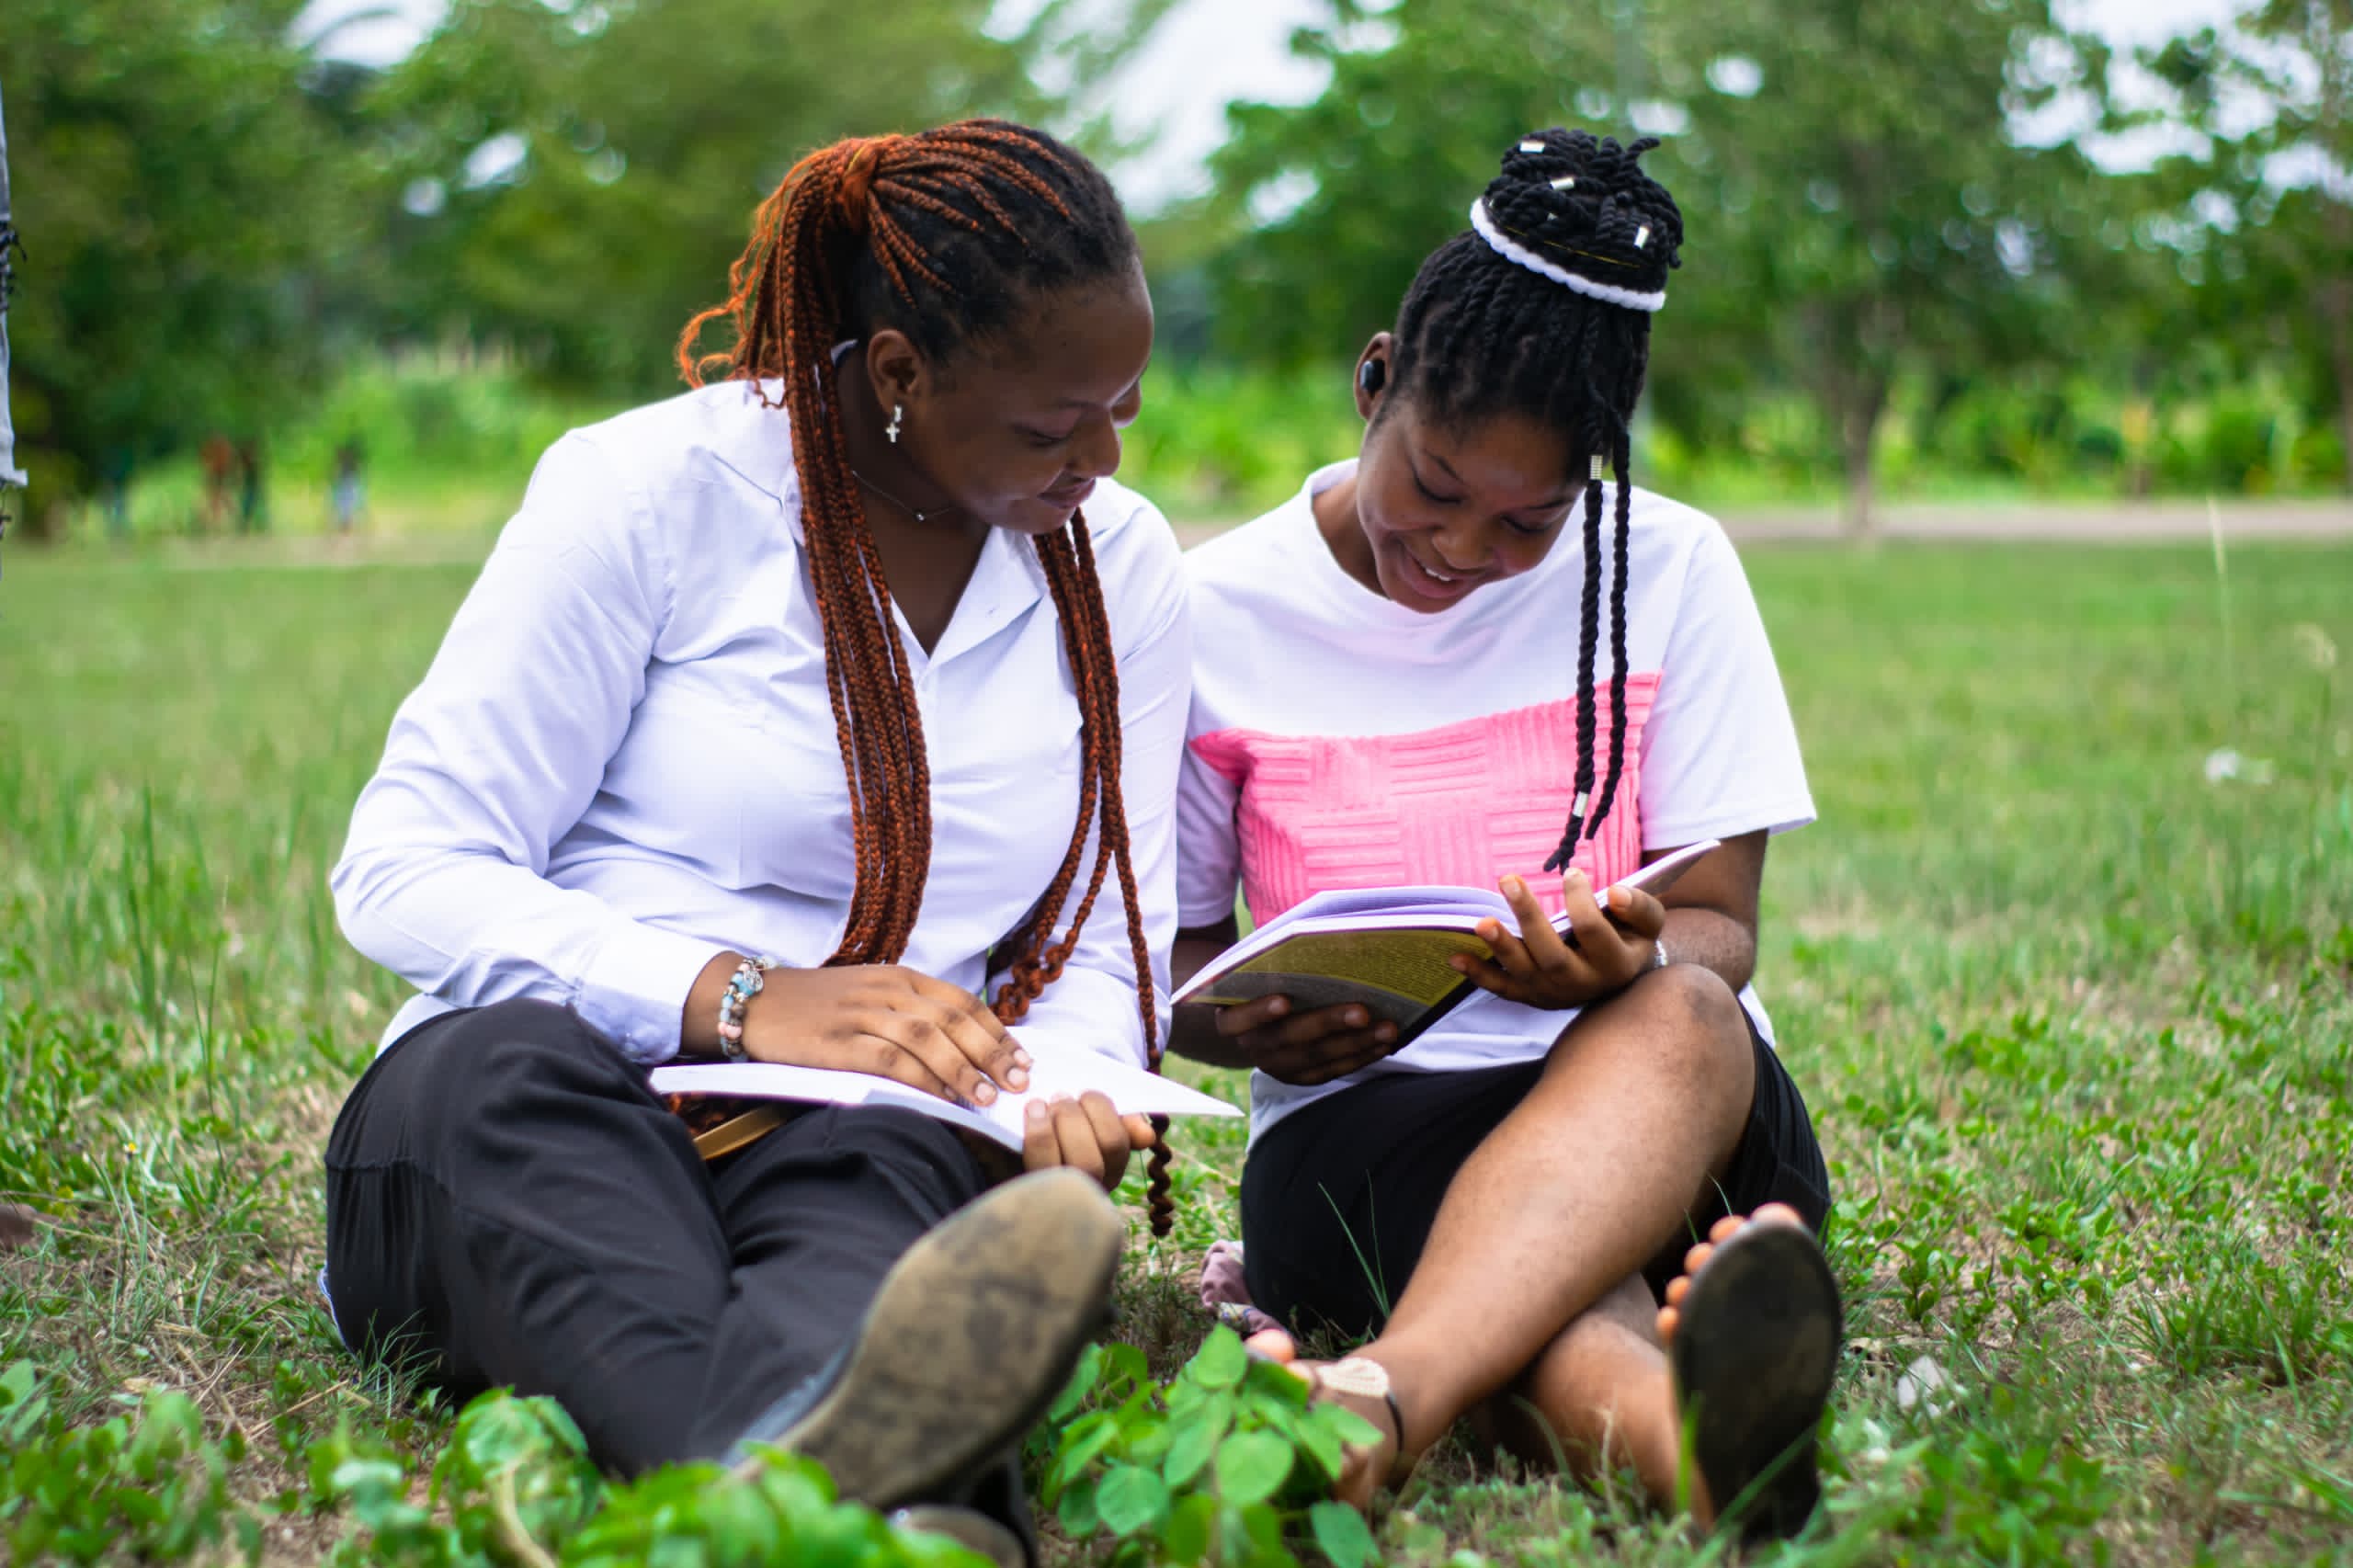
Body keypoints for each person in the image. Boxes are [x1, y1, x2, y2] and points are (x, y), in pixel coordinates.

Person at [322, 119, 1186, 1566]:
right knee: (506, 1076)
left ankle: (784, 1479)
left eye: (1126, 406)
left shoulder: (1120, 567)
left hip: (864, 1136)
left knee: (894, 1176)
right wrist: (734, 995)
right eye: (1053, 423)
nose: (1101, 456)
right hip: (543, 1102)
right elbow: (403, 861)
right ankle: (877, 1498)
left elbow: (1108, 930)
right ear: (900, 371)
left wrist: (1072, 1090)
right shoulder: (651, 496)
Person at [1171, 130, 1841, 1539]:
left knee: (1694, 1017)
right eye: (1435, 484)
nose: (1466, 549)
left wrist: (1623, 962)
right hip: (1371, 1137)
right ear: (1373, 381)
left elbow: (1722, 918)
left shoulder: (1672, 569)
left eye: (1530, 521)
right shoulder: (1213, 609)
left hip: (1673, 1111)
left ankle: (1377, 1394)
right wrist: (1252, 1030)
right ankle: (1700, 1451)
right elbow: (1173, 963)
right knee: (1529, 1276)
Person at [331, 440, 364, 534]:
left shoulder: (347, 464)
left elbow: (336, 474)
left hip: (347, 483)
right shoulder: (347, 465)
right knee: (346, 506)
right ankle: (345, 526)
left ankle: (345, 526)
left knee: (345, 506)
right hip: (348, 483)